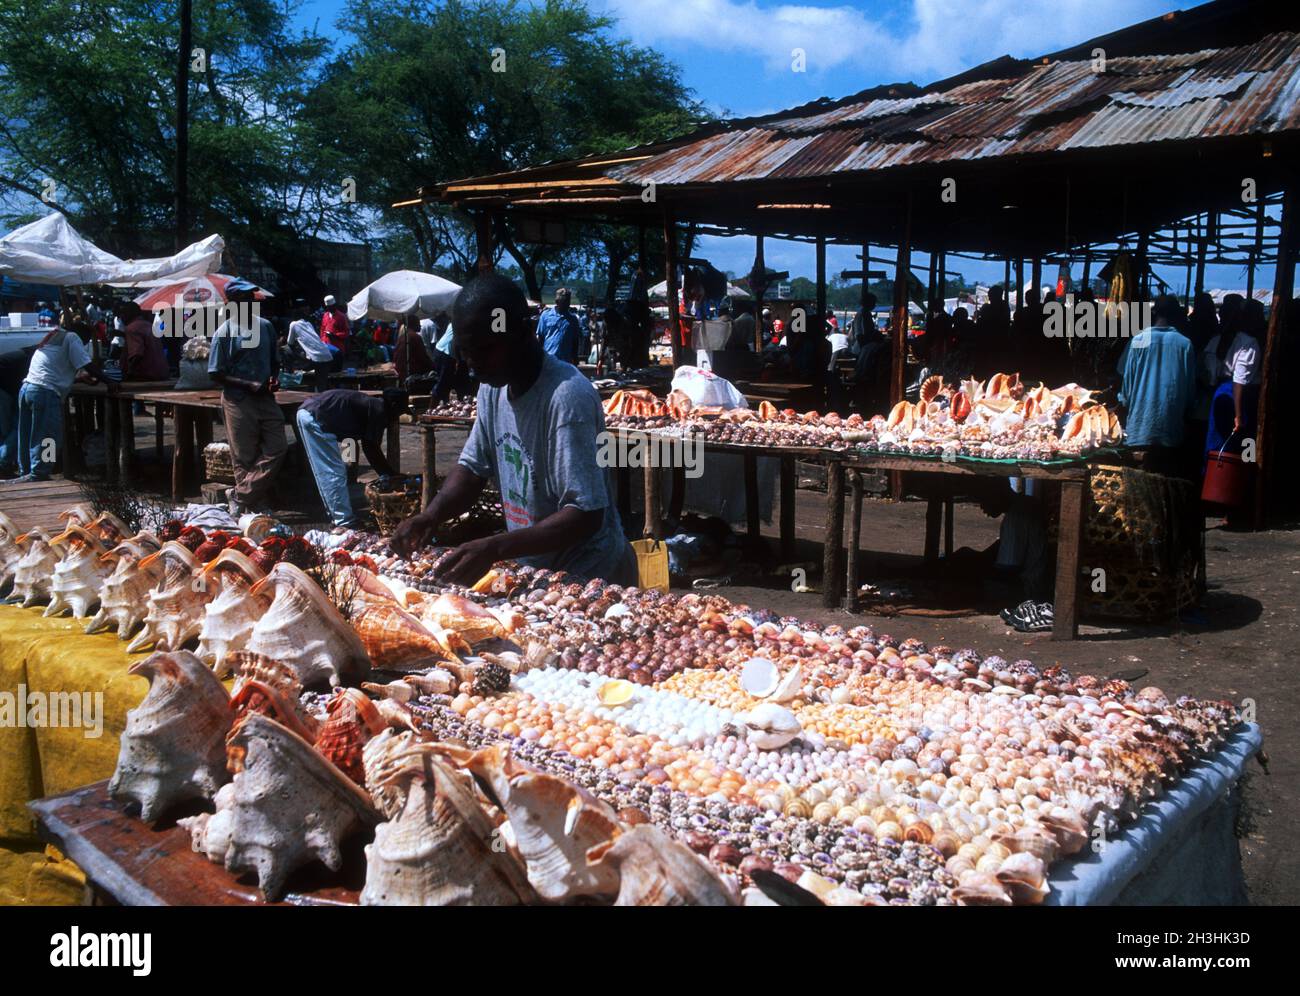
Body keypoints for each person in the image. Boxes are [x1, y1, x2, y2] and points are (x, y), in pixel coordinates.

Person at [391, 273, 635, 586]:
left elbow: (585, 515)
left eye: (485, 349)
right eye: (466, 352)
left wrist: (495, 546)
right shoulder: (492, 388)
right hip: (540, 569)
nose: (473, 364)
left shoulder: (566, 396)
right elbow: (472, 468)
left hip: (592, 573)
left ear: (524, 332)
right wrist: (431, 516)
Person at [208, 282, 285, 513]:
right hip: (237, 400)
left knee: (277, 447)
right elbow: (215, 373)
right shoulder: (224, 332)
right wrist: (248, 384)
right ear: (234, 303)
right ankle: (252, 504)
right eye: (246, 299)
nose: (252, 302)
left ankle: (240, 496)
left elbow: (275, 363)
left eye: (252, 298)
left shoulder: (265, 327)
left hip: (265, 398)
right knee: (244, 456)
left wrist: (273, 378)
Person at [7, 319, 103, 483]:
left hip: (27, 389)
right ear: (82, 336)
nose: (84, 344)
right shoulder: (72, 337)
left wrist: (79, 379)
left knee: (27, 434)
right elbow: (86, 364)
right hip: (45, 392)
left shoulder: (53, 337)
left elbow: (53, 367)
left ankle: (26, 471)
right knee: (49, 437)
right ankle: (40, 473)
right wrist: (109, 380)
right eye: (85, 341)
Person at [296, 388, 405, 527]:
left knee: (328, 472)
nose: (398, 416)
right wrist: (390, 475)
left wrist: (351, 469)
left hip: (310, 412)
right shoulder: (379, 410)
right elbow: (371, 449)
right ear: (394, 406)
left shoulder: (370, 404)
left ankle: (336, 515)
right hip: (316, 417)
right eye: (400, 411)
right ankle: (345, 522)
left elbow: (353, 440)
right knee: (332, 472)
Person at [1115, 294, 1197, 474]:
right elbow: (1190, 390)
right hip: (1171, 425)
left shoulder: (1139, 340)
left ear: (1154, 313)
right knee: (1165, 481)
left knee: (1138, 481)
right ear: (1176, 315)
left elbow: (1126, 382)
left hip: (1140, 424)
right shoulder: (1185, 344)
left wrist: (1125, 402)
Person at [1202, 298, 1261, 459]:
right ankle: (1238, 479)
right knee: (1243, 446)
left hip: (1221, 393)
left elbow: (1210, 375)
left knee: (1217, 444)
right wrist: (1239, 415)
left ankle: (1212, 476)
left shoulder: (1217, 340)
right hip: (1240, 398)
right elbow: (1239, 380)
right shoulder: (1248, 343)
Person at [0, 346, 36, 477]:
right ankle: (3, 462)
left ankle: (6, 461)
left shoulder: (24, 354)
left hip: (7, 388)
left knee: (5, 428)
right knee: (15, 427)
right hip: (6, 389)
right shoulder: (34, 357)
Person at [287, 302, 335, 391]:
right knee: (322, 384)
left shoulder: (293, 324)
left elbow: (290, 343)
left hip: (315, 358)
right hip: (327, 354)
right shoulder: (308, 324)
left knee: (287, 351)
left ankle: (293, 376)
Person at [118, 302, 170, 381]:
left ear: (128, 313)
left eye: (122, 313)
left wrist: (129, 373)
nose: (121, 317)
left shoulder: (132, 328)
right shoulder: (148, 325)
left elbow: (137, 354)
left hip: (144, 376)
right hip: (161, 374)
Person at [536, 287, 582, 364]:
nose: (567, 304)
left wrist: (575, 358)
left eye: (568, 301)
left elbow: (575, 341)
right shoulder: (545, 315)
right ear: (557, 302)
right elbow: (540, 337)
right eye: (564, 302)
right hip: (549, 360)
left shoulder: (573, 319)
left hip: (566, 362)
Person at [394, 313, 435, 386]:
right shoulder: (415, 337)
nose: (420, 326)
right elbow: (423, 358)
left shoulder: (402, 336)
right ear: (413, 324)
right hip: (411, 373)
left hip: (400, 371)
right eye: (418, 323)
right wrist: (434, 366)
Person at [319, 294, 351, 360]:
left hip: (337, 346)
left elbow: (346, 332)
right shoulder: (325, 315)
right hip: (326, 346)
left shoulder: (342, 316)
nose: (329, 308)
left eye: (331, 307)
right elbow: (322, 329)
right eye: (327, 307)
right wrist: (322, 340)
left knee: (337, 367)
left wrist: (335, 335)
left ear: (334, 306)